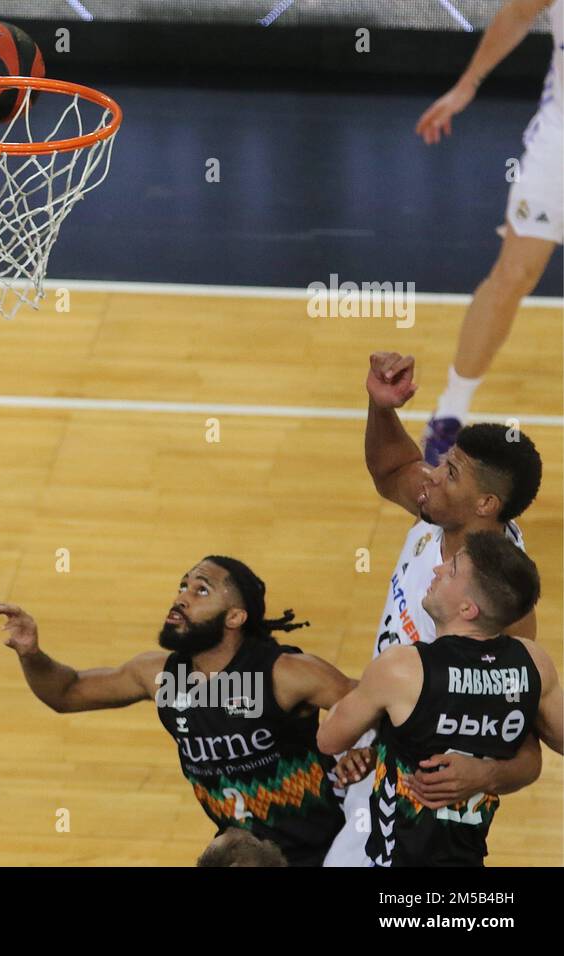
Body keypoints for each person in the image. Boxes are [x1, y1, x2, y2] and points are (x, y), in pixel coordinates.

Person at [324, 351, 543, 865]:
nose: (433, 474)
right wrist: (381, 408)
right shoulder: (439, 514)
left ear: (485, 505)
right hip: (368, 737)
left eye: (452, 471)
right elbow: (392, 468)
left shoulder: (504, 601)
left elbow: (522, 739)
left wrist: (485, 774)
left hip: (414, 798)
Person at [0, 556, 354, 866]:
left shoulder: (285, 673)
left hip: (330, 850)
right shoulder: (159, 674)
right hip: (239, 855)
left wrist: (362, 751)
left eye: (201, 590)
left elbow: (377, 702)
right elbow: (66, 692)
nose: (182, 597)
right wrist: (32, 654)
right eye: (183, 585)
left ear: (234, 617)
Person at [318, 532, 561, 866]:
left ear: (467, 608)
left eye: (452, 570)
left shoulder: (402, 669)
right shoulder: (533, 663)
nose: (437, 570)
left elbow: (329, 738)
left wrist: (371, 702)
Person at [415, 0, 562, 464]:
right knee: (513, 276)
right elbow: (519, 13)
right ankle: (450, 412)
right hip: (560, 140)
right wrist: (466, 86)